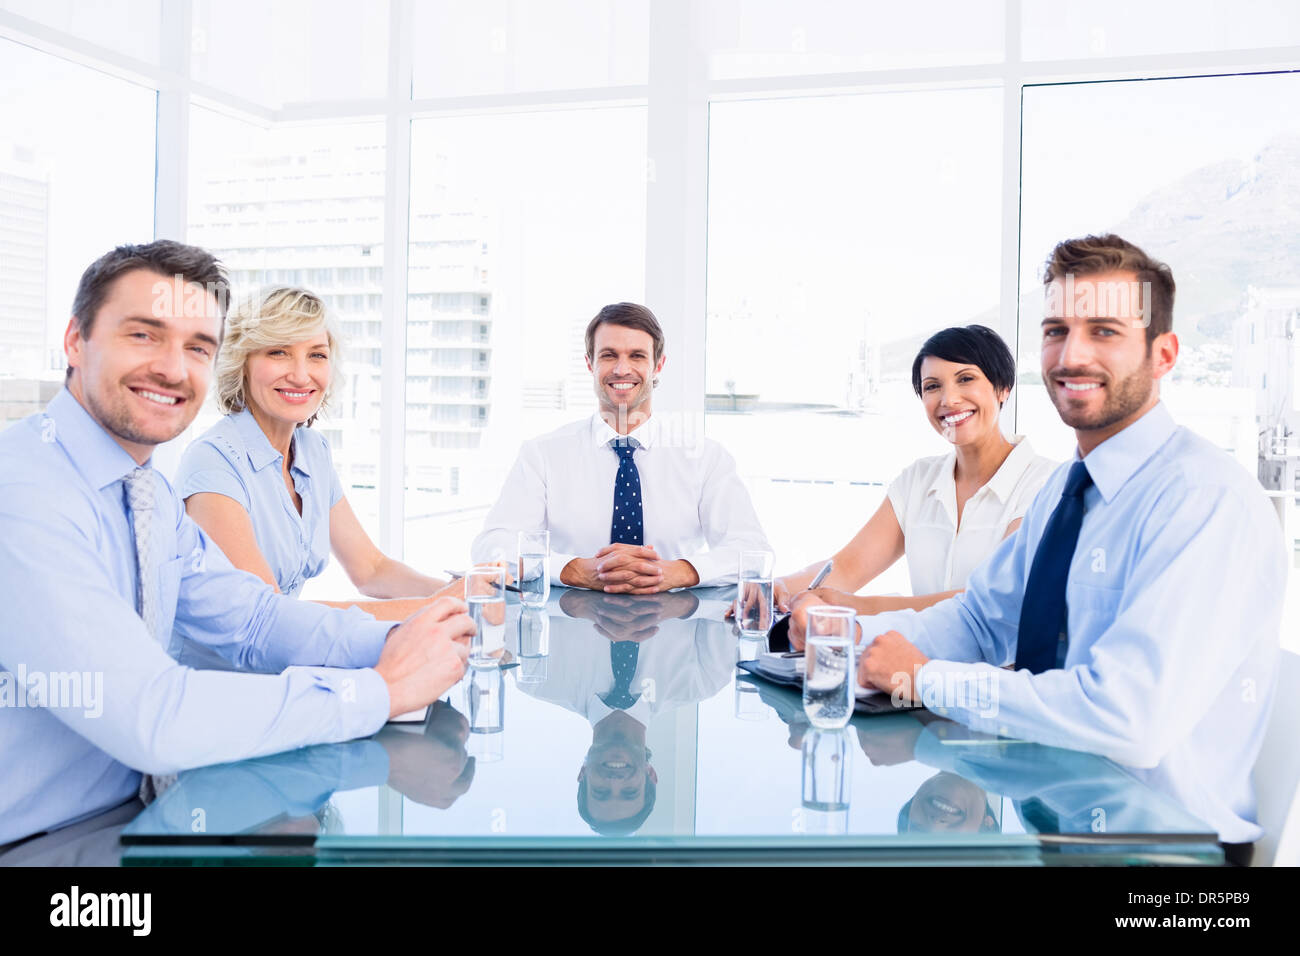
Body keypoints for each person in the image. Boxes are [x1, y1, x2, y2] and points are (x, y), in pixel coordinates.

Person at [797, 234, 1286, 852]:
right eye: (1056, 330)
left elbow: (1126, 717)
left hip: (1162, 856)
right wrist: (846, 645)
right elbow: (980, 618)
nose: (1071, 355)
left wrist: (925, 680)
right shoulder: (1067, 488)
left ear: (1163, 355)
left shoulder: (1203, 499)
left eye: (1104, 331)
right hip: (1057, 821)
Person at [0, 241, 474, 853]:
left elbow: (253, 617)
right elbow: (154, 716)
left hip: (154, 810)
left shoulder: (147, 494)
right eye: (144, 335)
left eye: (197, 346)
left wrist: (401, 645)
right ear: (74, 341)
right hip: (42, 844)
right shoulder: (24, 492)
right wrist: (380, 690)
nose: (173, 368)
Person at [173, 286, 467, 624]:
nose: (301, 375)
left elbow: (370, 569)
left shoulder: (312, 451)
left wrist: (458, 591)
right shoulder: (213, 462)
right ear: (242, 364)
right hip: (223, 671)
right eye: (278, 352)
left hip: (282, 659)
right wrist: (442, 606)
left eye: (316, 355)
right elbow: (270, 616)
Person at [471, 302, 770, 592]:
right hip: (569, 629)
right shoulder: (542, 455)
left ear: (658, 365)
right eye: (609, 355)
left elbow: (752, 551)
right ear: (590, 363)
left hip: (676, 633)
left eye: (637, 356)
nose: (622, 369)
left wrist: (677, 571)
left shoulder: (706, 458)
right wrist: (572, 569)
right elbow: (492, 546)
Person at [779, 325, 1055, 626]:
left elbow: (994, 600)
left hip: (1004, 671)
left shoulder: (1044, 484)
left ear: (1003, 388)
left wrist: (860, 607)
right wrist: (774, 589)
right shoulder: (919, 480)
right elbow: (847, 567)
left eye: (965, 379)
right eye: (932, 386)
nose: (948, 399)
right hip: (920, 662)